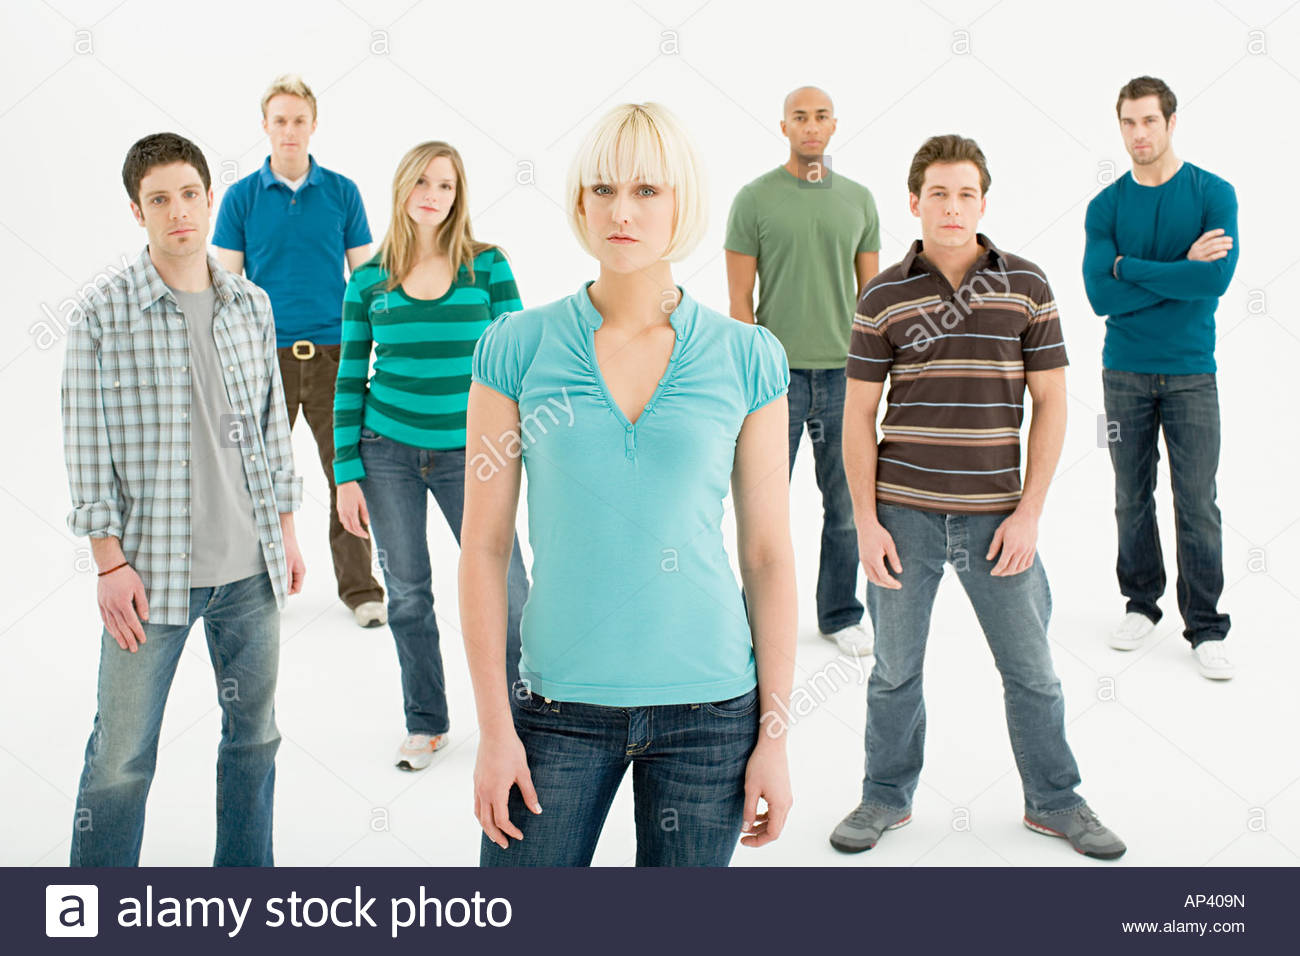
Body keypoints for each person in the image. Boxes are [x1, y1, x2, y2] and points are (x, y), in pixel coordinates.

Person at [461, 102, 797, 867]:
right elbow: (483, 548)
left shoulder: (749, 357)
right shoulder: (516, 346)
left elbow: (770, 556)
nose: (621, 210)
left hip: (711, 713)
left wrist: (773, 738)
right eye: (602, 189)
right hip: (555, 710)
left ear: (682, 203)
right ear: (580, 202)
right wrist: (493, 728)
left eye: (648, 190)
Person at [830, 135, 1126, 860]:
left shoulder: (1026, 284)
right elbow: (856, 417)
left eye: (966, 194)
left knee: (1032, 671)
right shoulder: (884, 295)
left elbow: (1053, 403)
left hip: (1000, 521)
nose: (952, 207)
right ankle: (884, 796)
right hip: (902, 517)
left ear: (983, 203)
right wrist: (866, 523)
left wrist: (1029, 512)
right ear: (914, 202)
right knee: (895, 671)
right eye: (938, 193)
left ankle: (1055, 801)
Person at [62, 132, 305, 866]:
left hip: (250, 574)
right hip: (151, 579)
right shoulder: (103, 314)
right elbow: (85, 447)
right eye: (159, 200)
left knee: (254, 740)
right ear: (137, 212)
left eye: (189, 195)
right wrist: (108, 564)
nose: (178, 212)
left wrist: (287, 532)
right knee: (121, 758)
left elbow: (269, 429)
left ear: (209, 199)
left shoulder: (251, 305)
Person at [333, 141, 530, 772]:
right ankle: (427, 721)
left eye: (445, 185)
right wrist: (346, 473)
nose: (433, 194)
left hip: (472, 454)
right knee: (409, 592)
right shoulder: (368, 281)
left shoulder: (487, 267)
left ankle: (523, 716)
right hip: (385, 451)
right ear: (401, 188)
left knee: (509, 589)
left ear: (458, 194)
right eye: (422, 181)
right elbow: (347, 377)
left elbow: (520, 360)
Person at [214, 74, 386, 629]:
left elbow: (366, 279)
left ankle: (360, 590)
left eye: (299, 120)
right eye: (280, 120)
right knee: (252, 477)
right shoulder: (241, 198)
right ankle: (251, 589)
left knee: (348, 476)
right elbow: (224, 287)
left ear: (314, 125)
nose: (289, 130)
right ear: (265, 126)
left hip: (337, 357)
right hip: (266, 361)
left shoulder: (342, 193)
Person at [1082, 76, 1238, 681]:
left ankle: (1205, 626)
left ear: (1172, 123)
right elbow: (1099, 295)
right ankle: (1140, 604)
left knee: (1197, 501)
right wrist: (1173, 269)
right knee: (1129, 494)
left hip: (1193, 374)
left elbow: (1212, 284)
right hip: (1121, 374)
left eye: (1149, 121)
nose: (1139, 134)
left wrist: (1130, 270)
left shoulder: (1213, 194)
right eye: (1128, 122)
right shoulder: (1106, 205)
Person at [725, 86, 880, 658]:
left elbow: (873, 296)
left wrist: (873, 375)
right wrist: (752, 374)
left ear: (834, 126)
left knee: (845, 504)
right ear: (783, 126)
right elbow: (739, 301)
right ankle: (751, 619)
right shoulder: (755, 199)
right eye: (799, 117)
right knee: (762, 504)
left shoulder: (859, 200)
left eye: (820, 117)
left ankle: (840, 613)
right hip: (776, 380)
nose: (810, 126)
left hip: (844, 378)